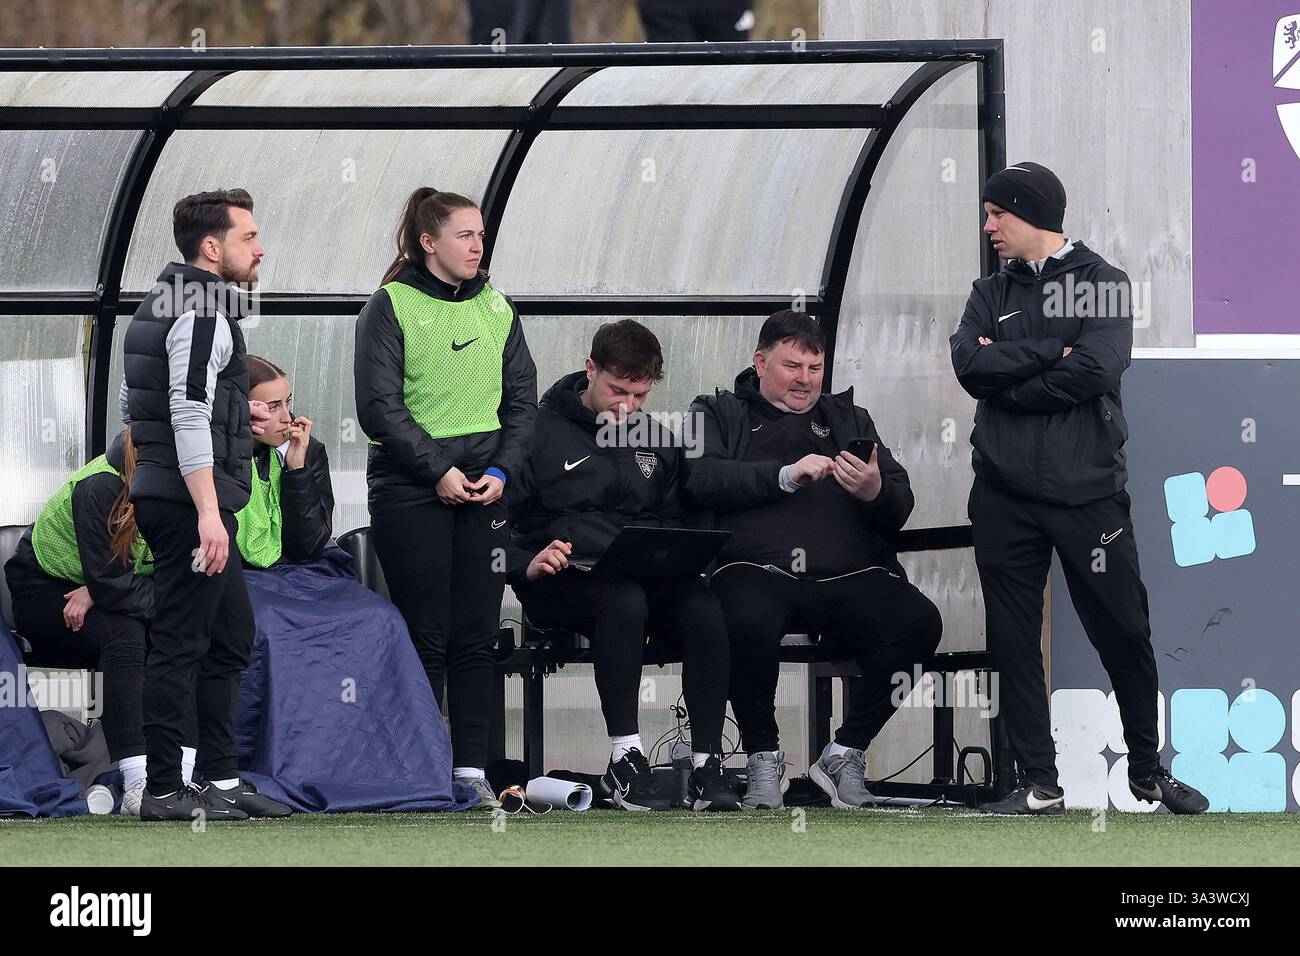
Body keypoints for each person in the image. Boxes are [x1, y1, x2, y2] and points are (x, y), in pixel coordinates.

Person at [949, 161, 1207, 815]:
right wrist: (1045, 354)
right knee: (1012, 639)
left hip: (1087, 494)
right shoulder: (987, 290)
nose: (988, 227)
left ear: (1029, 213)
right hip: (1003, 494)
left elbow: (1094, 371)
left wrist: (1010, 375)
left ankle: (1148, 771)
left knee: (1122, 629)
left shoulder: (1103, 284)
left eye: (995, 214)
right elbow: (967, 365)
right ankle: (1040, 783)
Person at [684, 310, 943, 809]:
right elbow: (701, 478)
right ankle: (763, 756)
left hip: (851, 574)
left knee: (919, 621)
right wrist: (784, 474)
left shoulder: (849, 418)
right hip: (757, 572)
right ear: (760, 362)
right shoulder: (717, 411)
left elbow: (900, 503)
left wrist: (874, 490)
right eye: (792, 366)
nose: (805, 380)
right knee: (741, 614)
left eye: (815, 368)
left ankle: (845, 752)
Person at [507, 321, 740, 812]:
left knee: (702, 604)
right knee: (622, 599)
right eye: (617, 390)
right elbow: (494, 525)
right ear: (590, 369)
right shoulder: (533, 432)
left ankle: (706, 763)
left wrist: (681, 557)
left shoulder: (656, 439)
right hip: (560, 580)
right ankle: (626, 759)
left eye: (639, 395)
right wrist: (526, 562)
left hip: (640, 574)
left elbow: (673, 523)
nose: (626, 407)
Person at [355, 186, 537, 808]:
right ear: (429, 242)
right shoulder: (391, 305)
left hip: (487, 491)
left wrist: (503, 474)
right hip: (412, 492)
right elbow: (379, 407)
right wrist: (436, 470)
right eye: (464, 235)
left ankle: (469, 774)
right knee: (426, 633)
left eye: (481, 235)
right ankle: (419, 772)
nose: (476, 245)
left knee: (478, 633)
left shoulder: (498, 308)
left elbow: (522, 406)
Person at [121, 187, 290, 821]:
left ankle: (219, 779)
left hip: (184, 494)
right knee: (180, 642)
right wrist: (209, 514)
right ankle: (164, 789)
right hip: (192, 501)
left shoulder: (170, 301)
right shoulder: (200, 312)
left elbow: (132, 406)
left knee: (229, 636)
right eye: (249, 236)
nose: (260, 247)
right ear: (211, 248)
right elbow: (188, 412)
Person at [2, 428, 198, 814]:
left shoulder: (187, 487)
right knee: (126, 633)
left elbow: (174, 573)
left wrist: (101, 589)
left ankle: (180, 777)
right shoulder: (99, 487)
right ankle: (137, 782)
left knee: (177, 631)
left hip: (102, 585)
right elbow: (115, 583)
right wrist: (104, 587)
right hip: (44, 589)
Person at [234, 355, 333, 570]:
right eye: (273, 407)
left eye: (287, 402)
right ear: (242, 408)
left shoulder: (308, 450)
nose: (287, 417)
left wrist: (297, 471)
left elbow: (307, 549)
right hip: (237, 576)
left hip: (293, 571)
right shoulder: (213, 454)